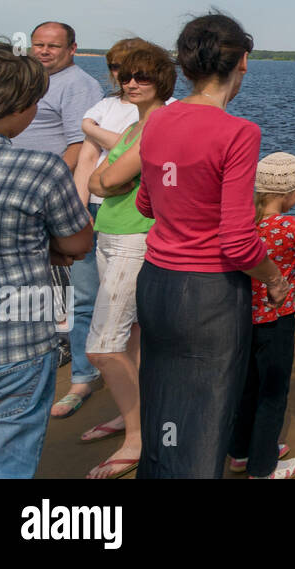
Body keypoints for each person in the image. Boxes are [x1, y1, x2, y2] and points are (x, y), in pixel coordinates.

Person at [133, 13, 290, 479]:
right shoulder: (239, 133)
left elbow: (147, 203)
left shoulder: (158, 119)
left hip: (156, 283)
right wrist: (276, 279)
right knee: (204, 424)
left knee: (162, 408)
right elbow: (239, 243)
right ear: (242, 61)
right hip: (209, 297)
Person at [0, 42, 93, 477]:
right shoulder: (39, 167)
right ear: (15, 107)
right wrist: (46, 247)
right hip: (12, 344)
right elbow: (78, 243)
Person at [64, 39, 176, 421]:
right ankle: (134, 414)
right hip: (110, 232)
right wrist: (106, 181)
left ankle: (139, 432)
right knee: (127, 336)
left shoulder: (159, 124)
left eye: (141, 76)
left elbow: (108, 177)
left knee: (104, 346)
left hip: (134, 236)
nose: (130, 82)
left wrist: (107, 179)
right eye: (125, 75)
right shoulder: (133, 127)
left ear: (161, 80)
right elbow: (97, 181)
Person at [10, 22, 102, 400]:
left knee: (79, 287)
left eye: (53, 46)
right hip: (18, 194)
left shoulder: (78, 85)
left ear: (73, 49)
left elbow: (81, 146)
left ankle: (81, 369)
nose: (44, 51)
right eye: (38, 44)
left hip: (53, 194)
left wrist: (42, 181)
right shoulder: (30, 81)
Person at [226, 152, 295, 479]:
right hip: (276, 320)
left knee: (247, 387)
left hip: (242, 319)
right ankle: (263, 468)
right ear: (291, 193)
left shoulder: (243, 220)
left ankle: (239, 451)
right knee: (273, 394)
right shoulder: (290, 226)